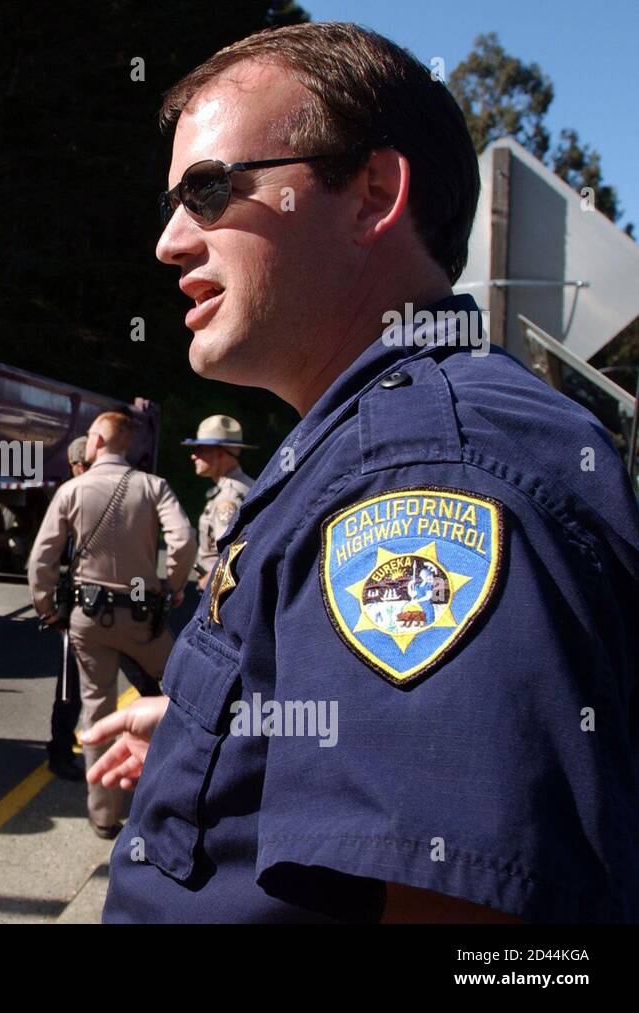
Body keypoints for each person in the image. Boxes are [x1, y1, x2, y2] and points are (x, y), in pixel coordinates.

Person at [87, 21, 639, 923]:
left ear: (373, 193)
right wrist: (218, 734)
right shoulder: (364, 446)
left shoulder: (426, 480)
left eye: (211, 189)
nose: (171, 242)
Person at [28, 412, 196, 837]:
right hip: (143, 616)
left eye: (88, 436)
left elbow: (41, 559)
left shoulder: (72, 489)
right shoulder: (153, 486)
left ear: (98, 441)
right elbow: (184, 541)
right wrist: (171, 586)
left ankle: (104, 816)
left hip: (88, 617)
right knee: (188, 690)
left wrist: (48, 608)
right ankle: (186, 790)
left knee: (97, 708)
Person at [182, 415, 255, 589]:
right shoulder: (247, 486)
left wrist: (207, 581)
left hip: (220, 589)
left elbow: (229, 554)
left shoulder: (228, 498)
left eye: (200, 449)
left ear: (220, 453)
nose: (194, 456)